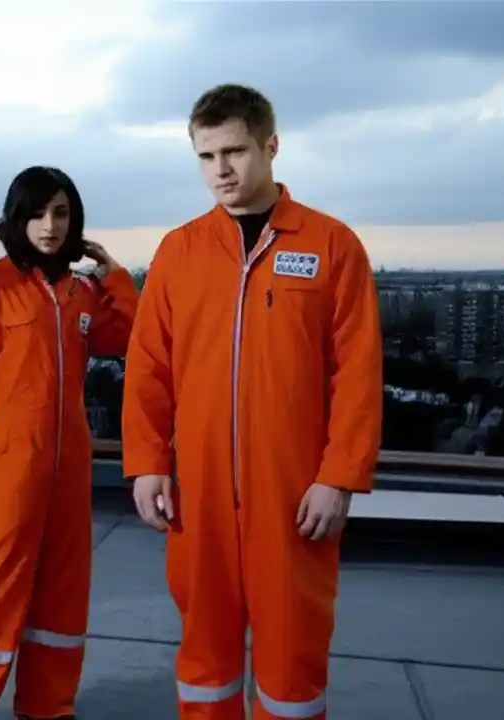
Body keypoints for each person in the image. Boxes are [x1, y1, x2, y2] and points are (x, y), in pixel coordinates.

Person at [122, 83, 383, 720]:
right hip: (199, 492)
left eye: (235, 152)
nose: (221, 170)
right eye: (207, 156)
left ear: (271, 147)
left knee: (292, 662)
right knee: (204, 660)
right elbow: (149, 367)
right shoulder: (179, 251)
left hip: (293, 494)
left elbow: (357, 374)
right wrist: (148, 462)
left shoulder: (331, 245)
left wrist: (339, 476)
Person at [0, 166, 139, 720]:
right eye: (36, 214)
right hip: (14, 460)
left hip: (71, 463)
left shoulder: (83, 294)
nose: (49, 226)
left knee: (63, 590)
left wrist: (115, 275)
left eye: (61, 213)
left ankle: (47, 706)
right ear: (15, 220)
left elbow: (130, 337)